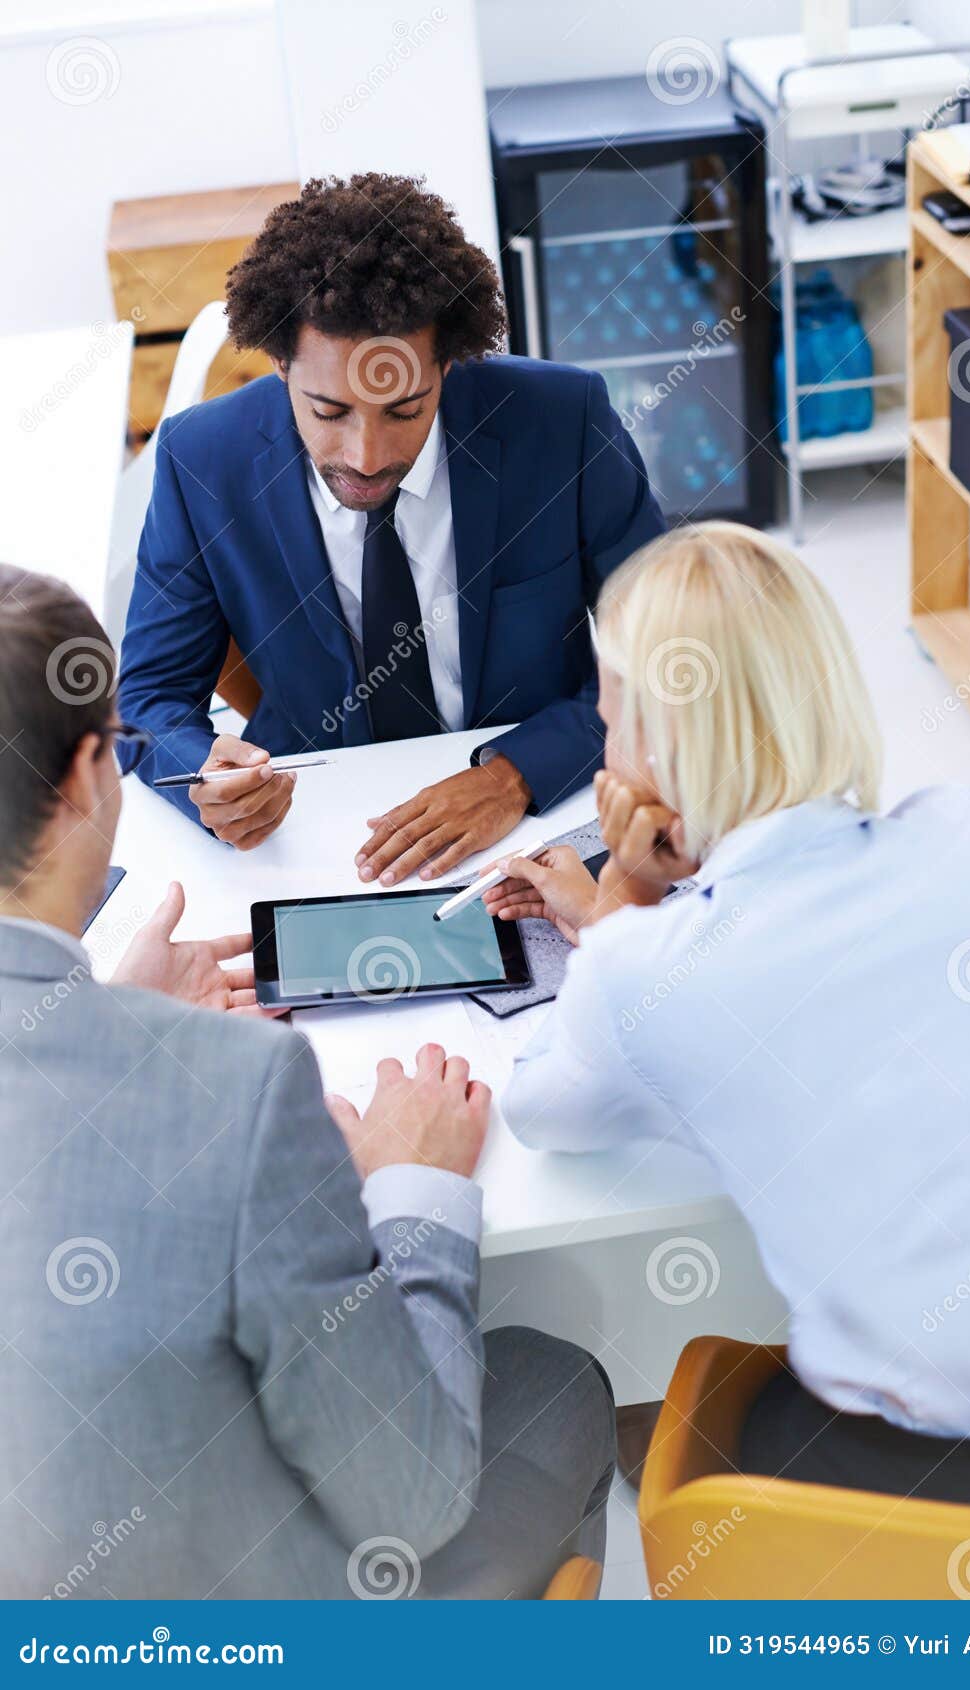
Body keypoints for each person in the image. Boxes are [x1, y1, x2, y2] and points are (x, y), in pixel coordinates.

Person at [0, 564, 614, 1599]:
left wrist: (114, 1011)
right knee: (559, 1377)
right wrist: (411, 1186)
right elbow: (408, 1497)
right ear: (85, 774)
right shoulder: (242, 1090)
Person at [487, 522, 970, 1509]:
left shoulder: (646, 971)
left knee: (644, 1396)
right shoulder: (966, 832)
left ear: (656, 752)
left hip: (908, 1479)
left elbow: (541, 1111)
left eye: (611, 716)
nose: (603, 737)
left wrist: (625, 888)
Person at [117, 171, 664, 879]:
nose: (367, 458)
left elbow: (672, 649)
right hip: (311, 825)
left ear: (450, 361)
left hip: (538, 813)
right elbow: (149, 701)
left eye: (405, 410)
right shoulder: (203, 459)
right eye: (329, 411)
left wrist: (514, 776)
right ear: (279, 363)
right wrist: (201, 778)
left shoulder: (563, 421)